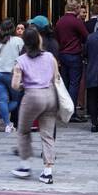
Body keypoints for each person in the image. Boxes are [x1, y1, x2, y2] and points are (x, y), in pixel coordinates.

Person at [10, 25, 60, 184]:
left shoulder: (21, 60)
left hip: (32, 97)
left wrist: (25, 84)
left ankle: (25, 165)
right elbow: (56, 78)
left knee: (24, 130)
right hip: (50, 95)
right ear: (39, 40)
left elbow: (15, 85)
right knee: (47, 134)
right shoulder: (50, 57)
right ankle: (47, 171)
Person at [55, 0, 89, 121]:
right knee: (74, 84)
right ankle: (72, 112)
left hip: (63, 54)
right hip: (74, 54)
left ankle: (64, 111)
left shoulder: (60, 21)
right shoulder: (76, 22)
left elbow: (57, 38)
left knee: (65, 83)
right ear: (76, 9)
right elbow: (86, 37)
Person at [0, 21, 25, 132]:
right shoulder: (18, 41)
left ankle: (7, 124)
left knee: (2, 100)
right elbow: (23, 57)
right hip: (12, 73)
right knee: (15, 99)